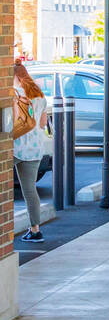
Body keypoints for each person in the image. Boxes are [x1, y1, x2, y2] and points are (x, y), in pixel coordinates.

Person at [12, 60, 50, 243]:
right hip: (35, 148)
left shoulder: (13, 94)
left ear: (15, 77)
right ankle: (35, 230)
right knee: (29, 191)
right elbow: (43, 123)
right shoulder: (40, 95)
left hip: (14, 146)